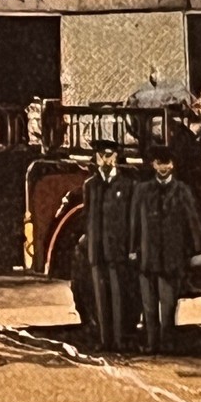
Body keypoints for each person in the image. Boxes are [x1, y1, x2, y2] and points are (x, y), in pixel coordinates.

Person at [129, 145, 201, 354]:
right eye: (159, 163)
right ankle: (152, 345)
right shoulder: (142, 191)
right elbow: (134, 223)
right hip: (147, 256)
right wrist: (133, 249)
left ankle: (167, 344)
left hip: (171, 258)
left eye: (167, 163)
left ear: (173, 165)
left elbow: (192, 222)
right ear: (153, 165)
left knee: (168, 306)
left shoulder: (182, 191)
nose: (163, 168)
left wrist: (196, 250)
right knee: (149, 307)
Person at [81, 139, 135, 352]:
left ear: (116, 158)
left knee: (118, 295)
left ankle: (120, 340)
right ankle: (105, 341)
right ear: (95, 159)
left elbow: (131, 220)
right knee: (101, 297)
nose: (106, 160)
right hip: (97, 249)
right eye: (102, 156)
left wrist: (129, 247)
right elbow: (88, 217)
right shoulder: (90, 185)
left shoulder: (126, 185)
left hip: (117, 248)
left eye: (110, 156)